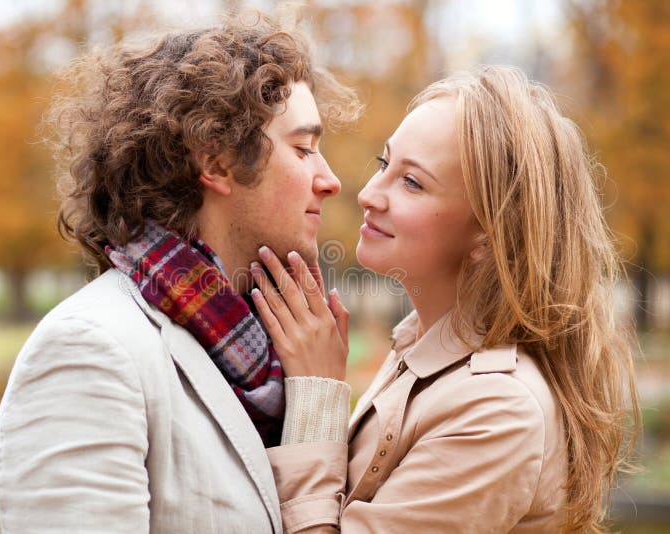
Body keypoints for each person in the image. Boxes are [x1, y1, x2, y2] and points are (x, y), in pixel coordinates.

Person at [0, 11, 360, 533]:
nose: (330, 180)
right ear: (217, 163)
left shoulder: (262, 362)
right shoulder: (89, 351)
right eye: (303, 149)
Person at [250, 65, 639, 533]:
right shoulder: (423, 350)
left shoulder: (498, 410)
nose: (370, 194)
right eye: (383, 164)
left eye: (412, 182)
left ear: (488, 235)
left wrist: (317, 396)